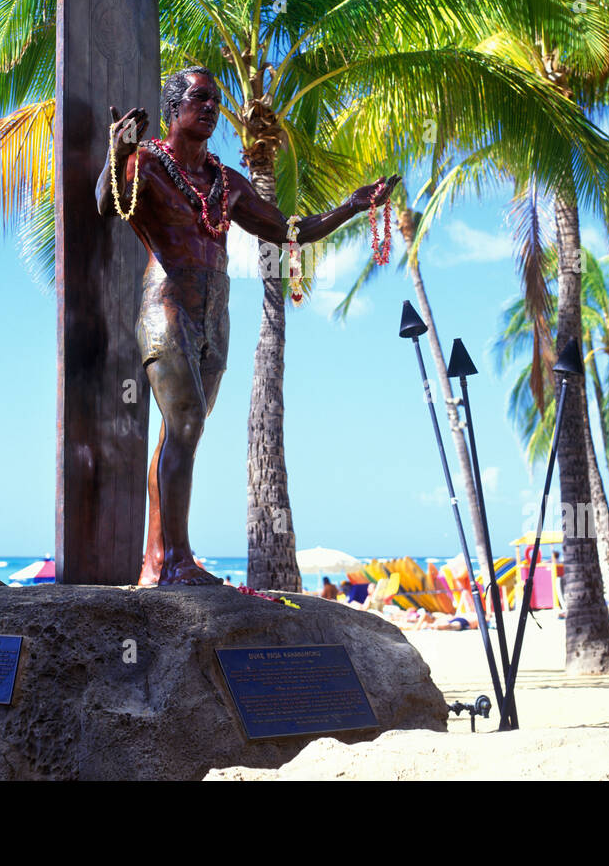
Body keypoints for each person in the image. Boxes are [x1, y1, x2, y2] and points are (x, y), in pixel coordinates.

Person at [98, 66, 397, 585]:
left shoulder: (225, 183)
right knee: (185, 424)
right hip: (166, 304)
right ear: (174, 107)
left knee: (182, 433)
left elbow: (287, 230)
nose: (212, 107)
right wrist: (119, 151)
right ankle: (175, 561)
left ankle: (156, 562)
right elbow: (105, 203)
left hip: (215, 314)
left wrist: (352, 206)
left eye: (216, 99)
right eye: (200, 98)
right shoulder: (146, 163)